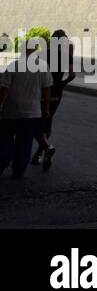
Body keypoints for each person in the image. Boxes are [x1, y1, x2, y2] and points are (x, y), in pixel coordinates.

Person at [0, 37, 53, 179]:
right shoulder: (43, 66)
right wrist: (46, 108)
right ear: (36, 49)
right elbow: (47, 90)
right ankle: (18, 170)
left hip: (10, 112)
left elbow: (4, 90)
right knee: (24, 142)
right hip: (32, 113)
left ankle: (4, 158)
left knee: (5, 138)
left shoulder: (13, 65)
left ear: (23, 49)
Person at [32, 30, 75, 171]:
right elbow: (72, 74)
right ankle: (40, 152)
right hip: (56, 93)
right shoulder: (65, 56)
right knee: (47, 121)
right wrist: (62, 84)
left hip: (42, 93)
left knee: (33, 123)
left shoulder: (43, 54)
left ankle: (46, 148)